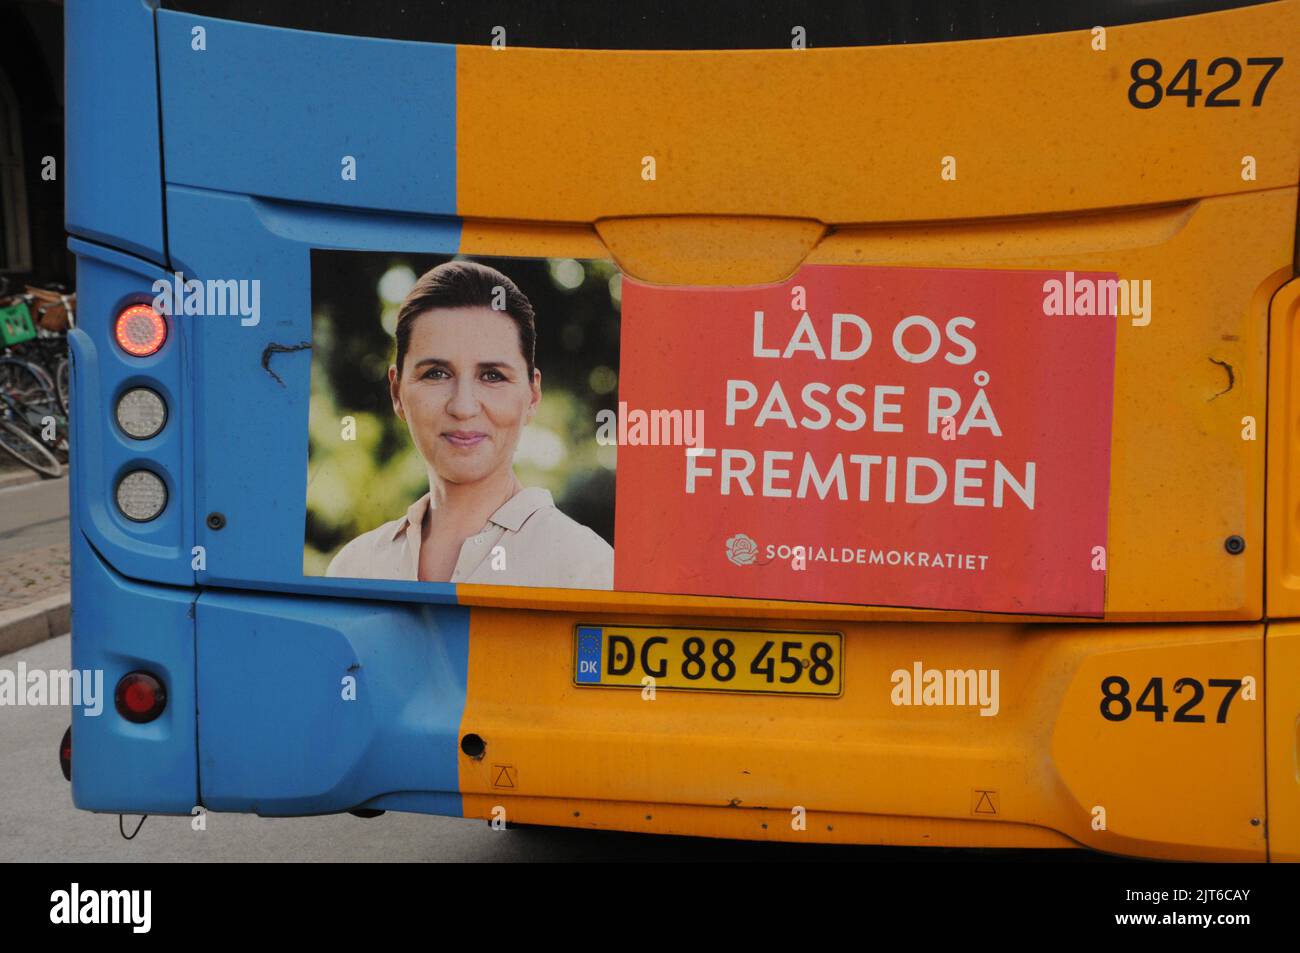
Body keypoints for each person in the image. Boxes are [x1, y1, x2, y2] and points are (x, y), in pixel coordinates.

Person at [326, 260, 614, 589]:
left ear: (532, 395)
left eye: (492, 376)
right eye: (436, 373)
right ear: (396, 391)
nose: (463, 407)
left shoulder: (588, 569)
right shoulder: (354, 568)